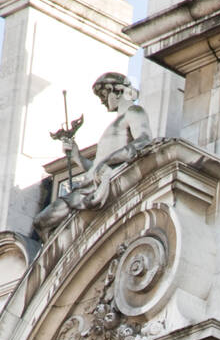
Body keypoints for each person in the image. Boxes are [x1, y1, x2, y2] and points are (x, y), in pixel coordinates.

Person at [34, 73, 152, 239]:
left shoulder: (134, 112)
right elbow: (96, 167)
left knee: (44, 222)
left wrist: (108, 161)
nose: (102, 101)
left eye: (104, 95)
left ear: (117, 92)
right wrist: (77, 156)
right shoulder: (113, 125)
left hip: (97, 187)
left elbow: (143, 141)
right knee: (41, 222)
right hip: (87, 186)